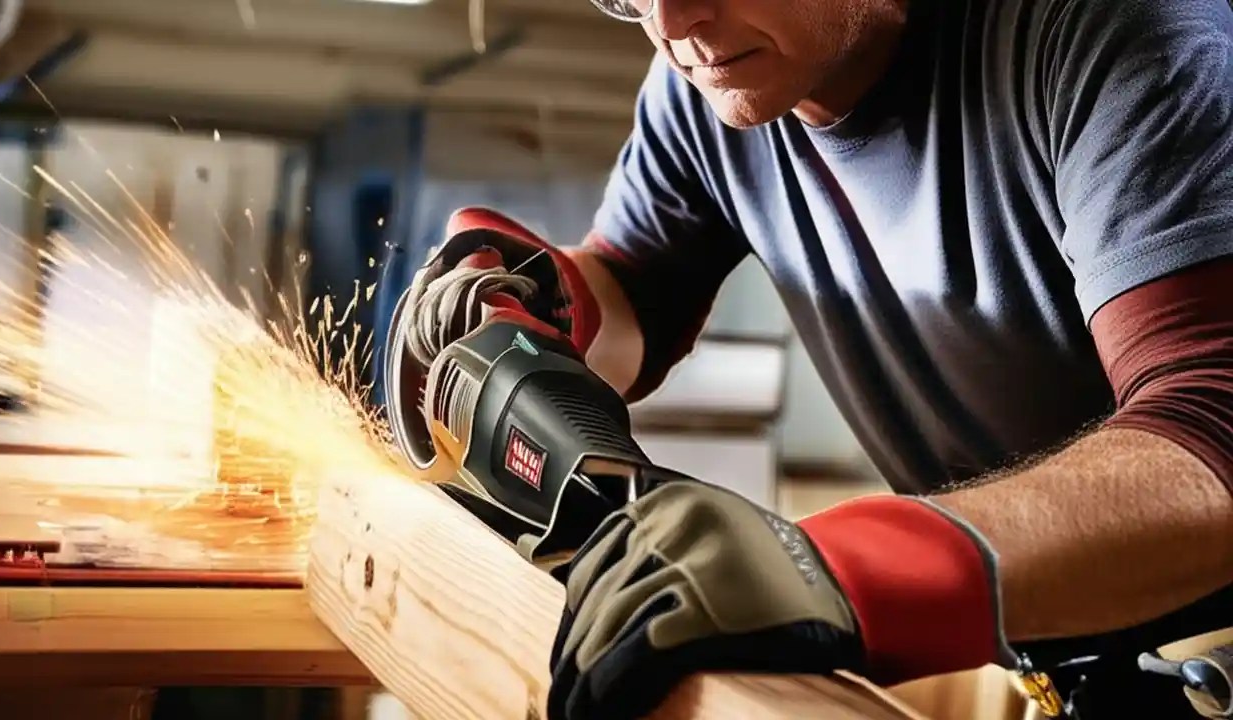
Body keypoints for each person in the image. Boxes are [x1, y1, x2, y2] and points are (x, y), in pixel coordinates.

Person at [398, 0, 1233, 717]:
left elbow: (1214, 433)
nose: (670, 23)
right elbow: (634, 297)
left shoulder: (1122, 40)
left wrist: (834, 564)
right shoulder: (712, 85)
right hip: (1081, 666)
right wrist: (539, 301)